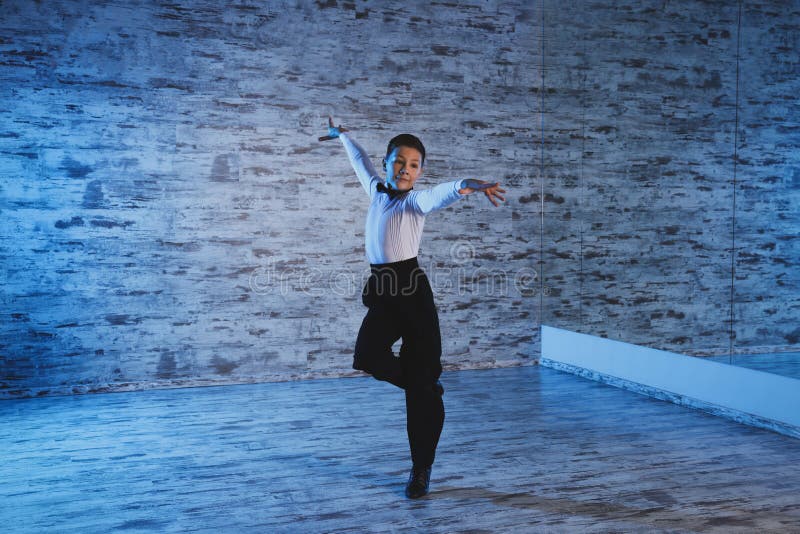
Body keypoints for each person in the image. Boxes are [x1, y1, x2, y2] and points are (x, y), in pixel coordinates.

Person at [322, 117, 506, 498]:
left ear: (419, 171)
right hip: (384, 289)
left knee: (417, 394)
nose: (405, 169)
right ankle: (424, 385)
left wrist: (468, 186)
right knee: (368, 356)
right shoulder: (376, 190)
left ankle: (420, 469)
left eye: (414, 165)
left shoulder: (414, 203)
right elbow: (358, 161)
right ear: (387, 161)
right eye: (398, 161)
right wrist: (344, 135)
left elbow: (442, 193)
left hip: (412, 291)